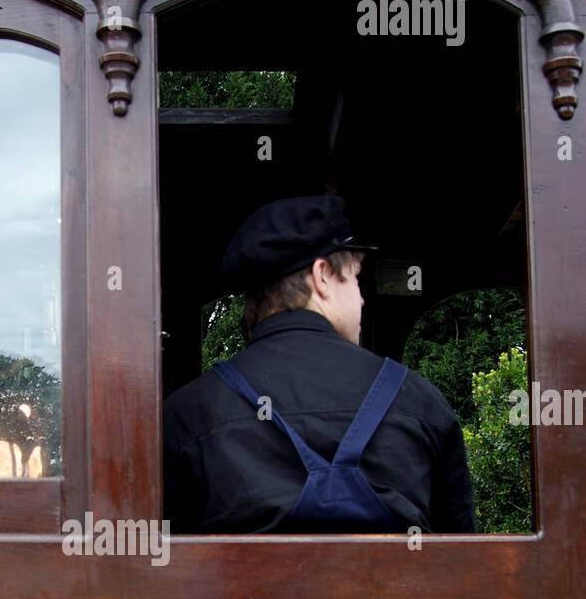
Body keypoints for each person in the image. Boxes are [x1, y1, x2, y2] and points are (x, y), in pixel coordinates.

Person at [163, 195, 478, 534]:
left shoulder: (185, 414)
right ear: (322, 275)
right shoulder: (421, 402)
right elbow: (466, 565)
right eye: (355, 278)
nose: (360, 298)